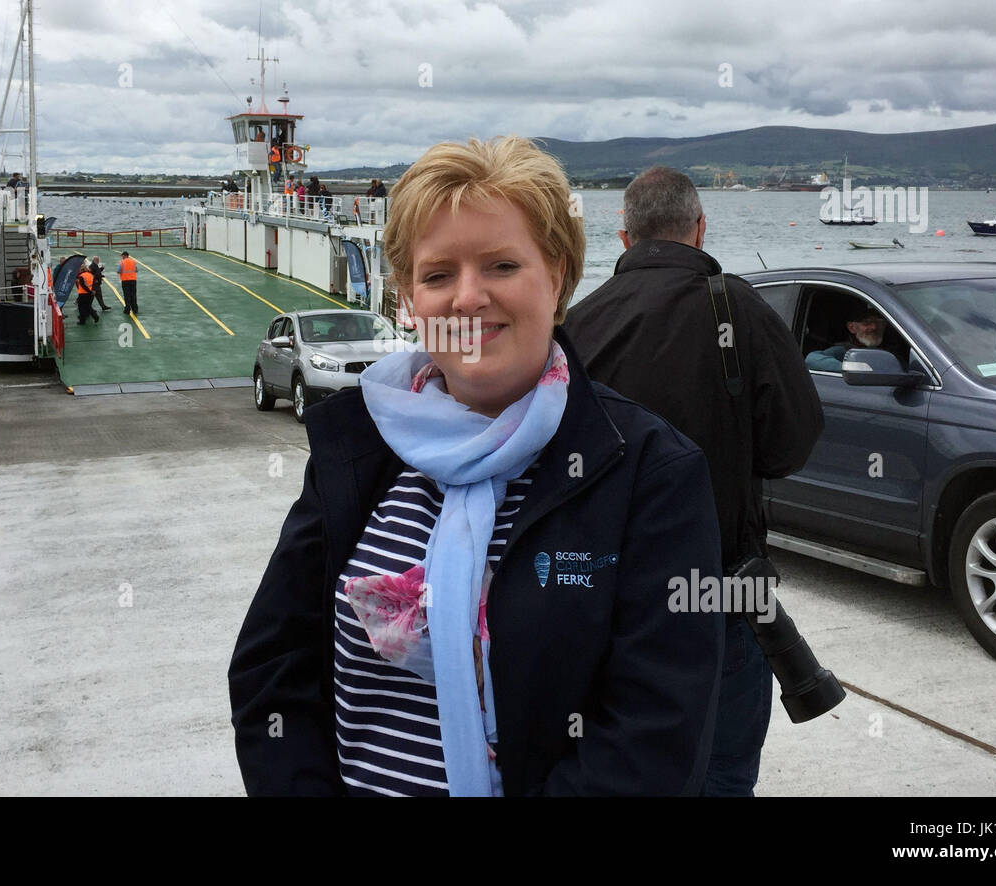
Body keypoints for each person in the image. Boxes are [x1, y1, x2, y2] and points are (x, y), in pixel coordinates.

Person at [229, 137, 724, 796]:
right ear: (407, 298)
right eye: (437, 275)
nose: (468, 298)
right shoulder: (358, 447)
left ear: (558, 276)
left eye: (501, 265)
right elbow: (273, 670)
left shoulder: (649, 473)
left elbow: (653, 735)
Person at [562, 165, 824, 797]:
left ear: (624, 238)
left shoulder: (580, 324)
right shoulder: (738, 307)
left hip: (607, 593)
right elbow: (793, 446)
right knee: (723, 774)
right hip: (721, 592)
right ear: (700, 229)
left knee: (622, 770)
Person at [806, 302, 892, 371]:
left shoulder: (896, 344)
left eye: (879, 322)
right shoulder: (845, 350)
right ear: (852, 328)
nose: (874, 327)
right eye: (867, 323)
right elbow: (812, 359)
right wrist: (853, 368)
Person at [118, 251, 139, 315]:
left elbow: (119, 271)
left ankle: (127, 309)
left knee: (127, 295)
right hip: (133, 280)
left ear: (125, 255)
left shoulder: (122, 262)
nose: (122, 257)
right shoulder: (133, 261)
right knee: (133, 295)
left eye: (122, 256)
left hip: (125, 280)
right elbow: (136, 270)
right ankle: (135, 309)